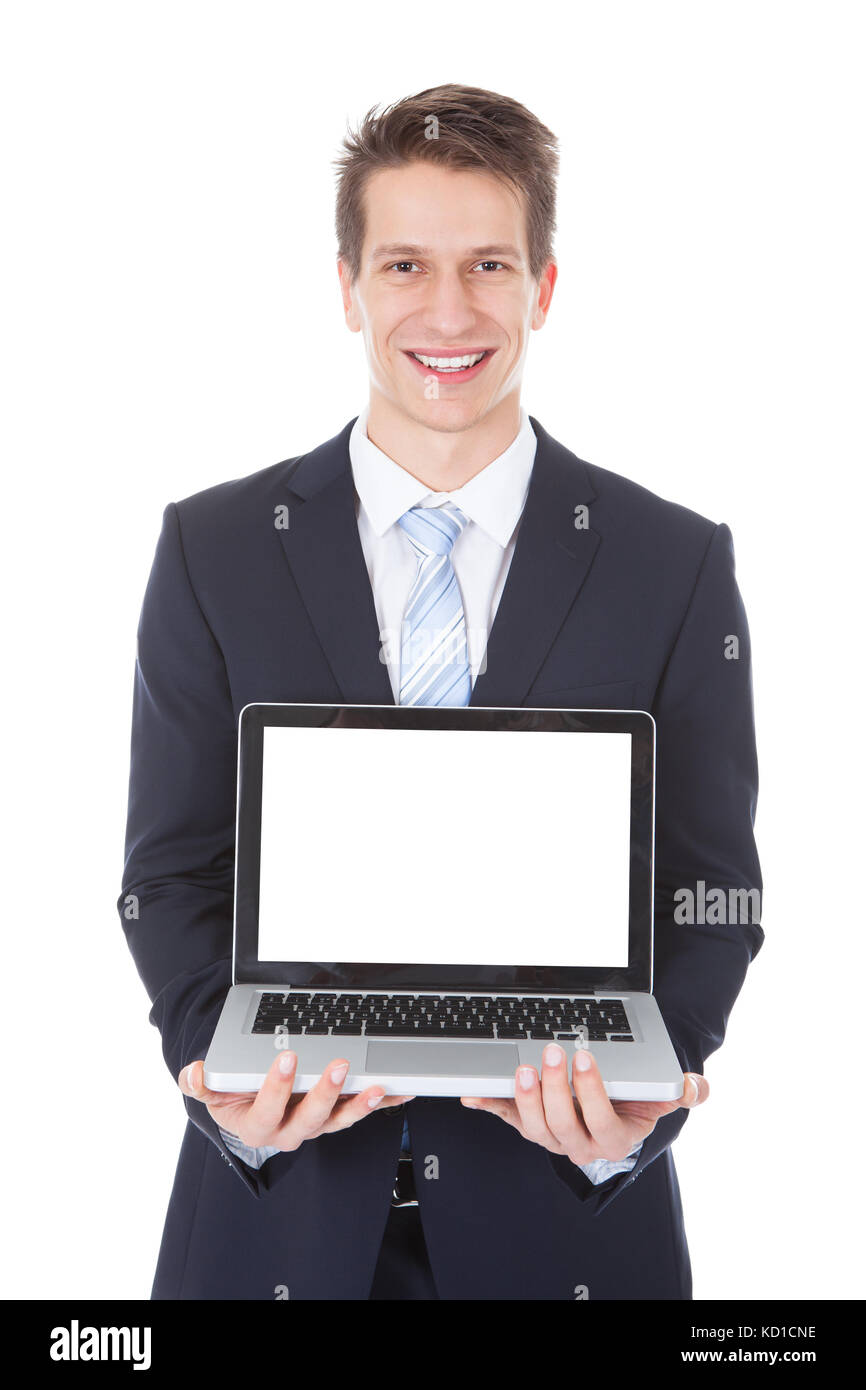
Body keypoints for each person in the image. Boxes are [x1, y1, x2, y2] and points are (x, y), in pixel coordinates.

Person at [118, 83, 762, 1300]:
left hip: (565, 1230)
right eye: (405, 263)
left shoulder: (669, 562)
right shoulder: (212, 549)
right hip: (274, 1226)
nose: (448, 310)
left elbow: (711, 885)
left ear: (544, 287)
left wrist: (641, 1103)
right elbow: (168, 873)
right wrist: (227, 1075)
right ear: (349, 287)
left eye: (488, 264)